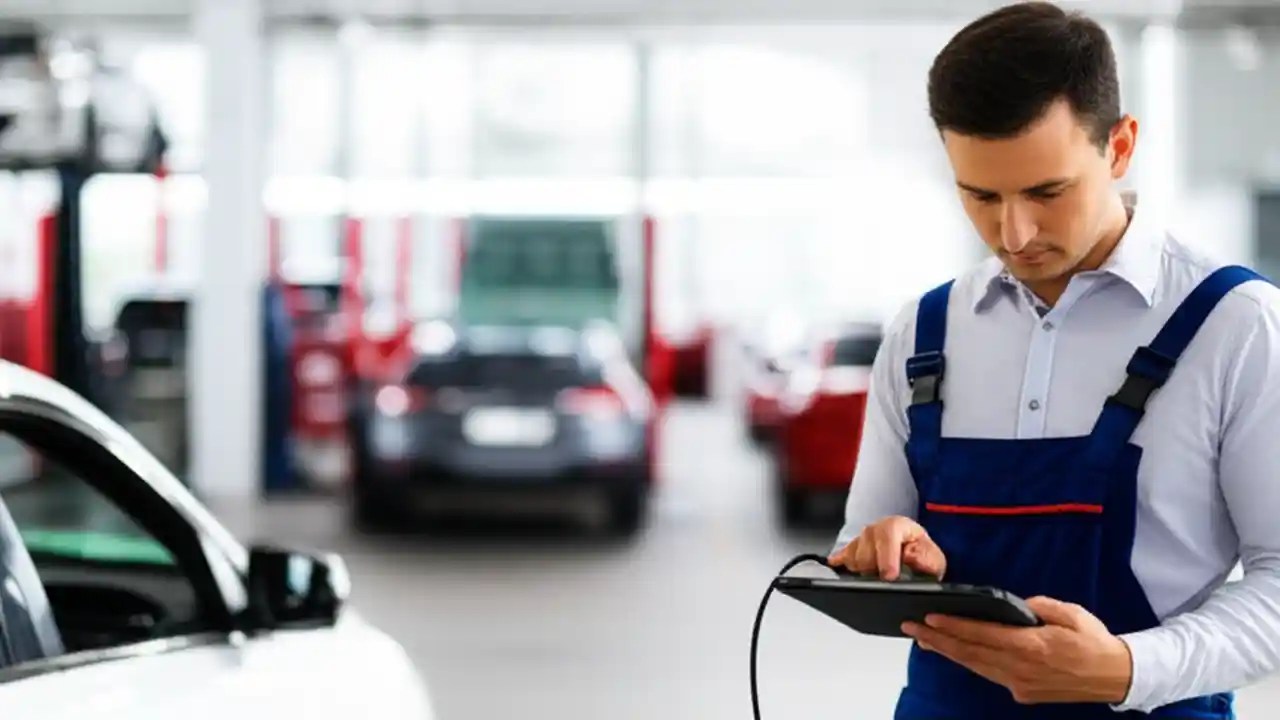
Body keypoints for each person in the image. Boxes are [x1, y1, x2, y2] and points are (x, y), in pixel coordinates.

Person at [827, 3, 1280, 718]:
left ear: (1120, 147)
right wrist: (886, 552)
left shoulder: (1238, 325)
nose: (1014, 232)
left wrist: (1131, 667)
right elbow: (863, 538)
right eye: (980, 194)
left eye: (1047, 191)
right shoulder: (922, 333)